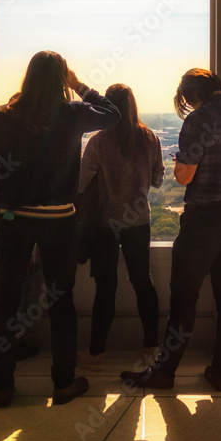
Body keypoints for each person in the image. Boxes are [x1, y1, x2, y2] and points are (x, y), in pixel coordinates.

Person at [0, 51, 120, 407]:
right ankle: (63, 382)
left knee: (4, 302)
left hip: (13, 217)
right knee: (60, 300)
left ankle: (3, 385)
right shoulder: (73, 113)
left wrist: (3, 189)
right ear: (60, 79)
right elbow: (114, 114)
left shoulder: (4, 116)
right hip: (59, 219)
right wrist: (79, 84)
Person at [121, 69, 221, 392]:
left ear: (190, 97)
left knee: (184, 298)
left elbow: (185, 176)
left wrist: (178, 164)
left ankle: (164, 372)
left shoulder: (200, 121)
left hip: (204, 221)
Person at [76, 84, 164, 371]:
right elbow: (157, 180)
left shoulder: (99, 142)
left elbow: (81, 183)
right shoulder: (149, 138)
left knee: (105, 287)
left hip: (105, 222)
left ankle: (97, 353)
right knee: (143, 283)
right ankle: (151, 347)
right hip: (139, 220)